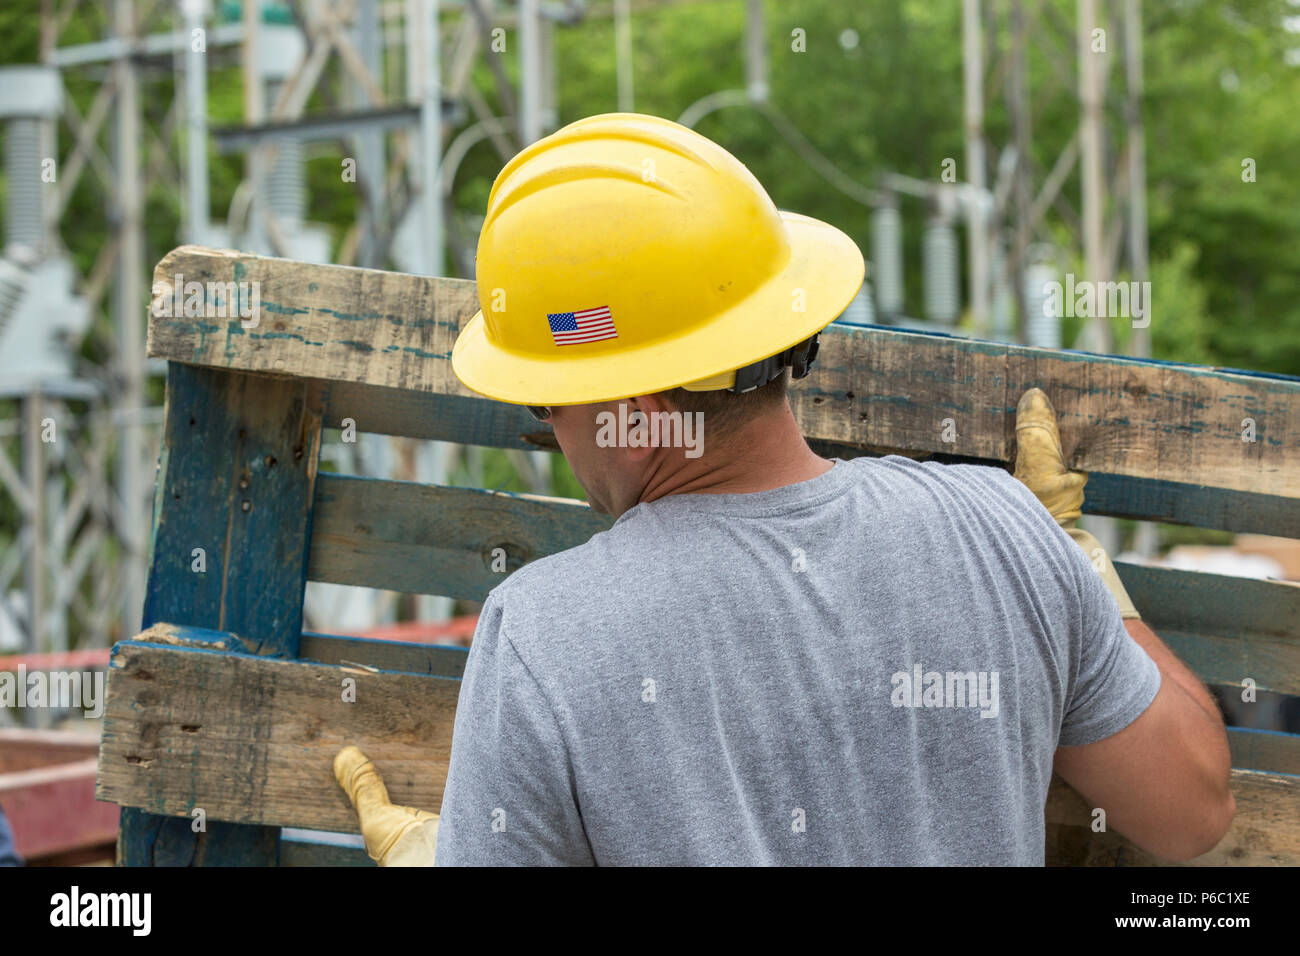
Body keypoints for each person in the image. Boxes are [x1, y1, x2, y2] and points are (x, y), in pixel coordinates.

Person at [335, 113, 1234, 865]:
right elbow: (1193, 812)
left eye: (547, 399)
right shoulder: (1001, 530)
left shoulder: (544, 637)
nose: (552, 434)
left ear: (638, 407)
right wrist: (1075, 568)